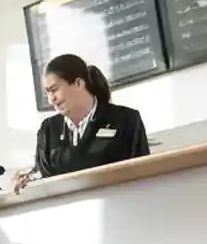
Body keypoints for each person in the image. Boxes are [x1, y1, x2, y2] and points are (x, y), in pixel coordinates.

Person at [13, 54, 150, 193]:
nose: (51, 99)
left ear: (78, 83)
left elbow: (143, 176)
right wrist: (29, 180)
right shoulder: (48, 130)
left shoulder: (126, 119)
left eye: (54, 90)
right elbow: (45, 180)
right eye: (47, 93)